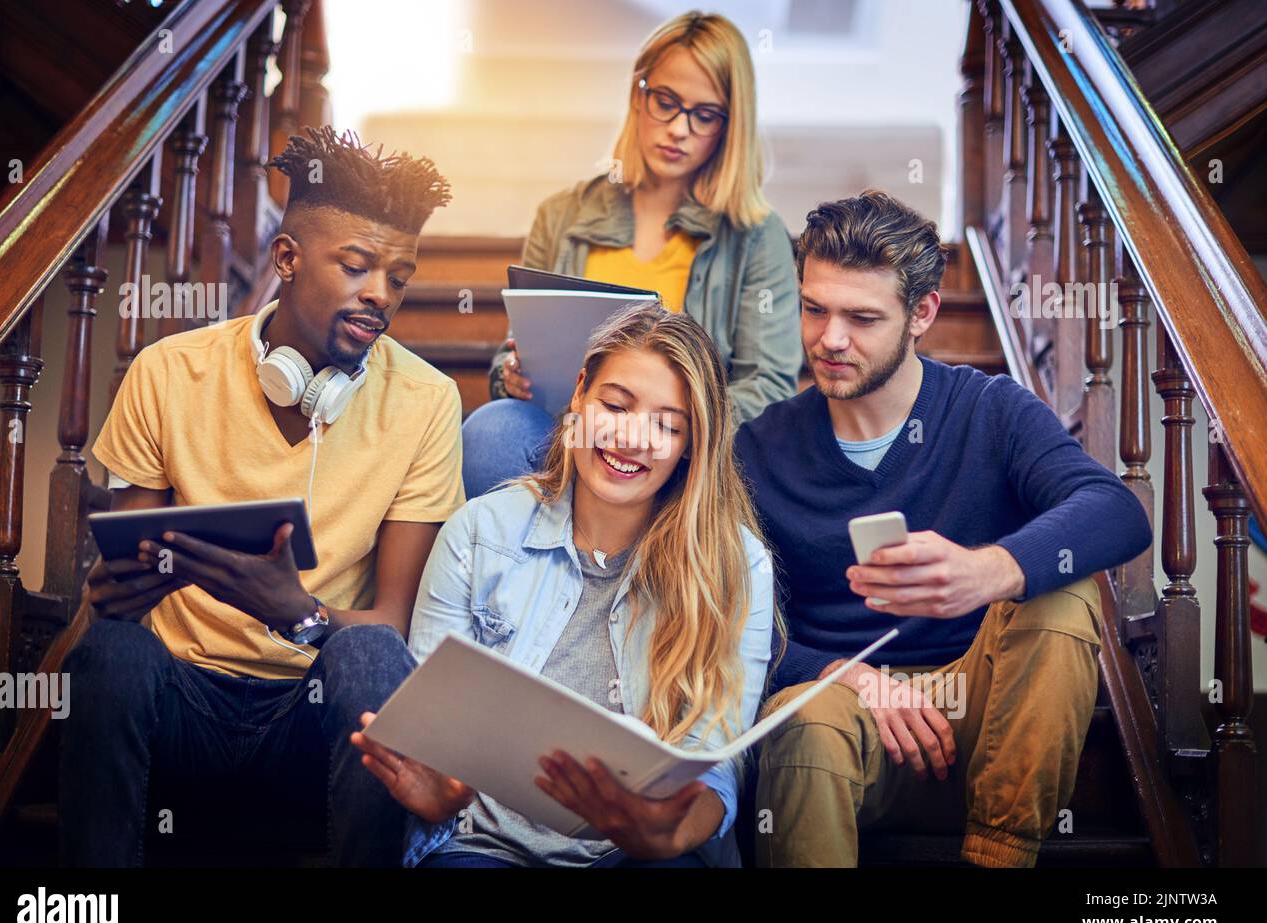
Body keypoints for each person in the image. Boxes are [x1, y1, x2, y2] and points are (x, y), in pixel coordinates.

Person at [60, 128, 464, 866]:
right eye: (356, 266)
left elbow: (393, 624)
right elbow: (126, 577)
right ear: (286, 258)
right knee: (112, 652)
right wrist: (110, 592)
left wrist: (297, 612)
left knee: (372, 653)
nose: (380, 293)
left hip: (309, 720)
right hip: (183, 703)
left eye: (399, 277)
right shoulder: (167, 372)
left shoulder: (427, 400)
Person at [735, 190, 1152, 867]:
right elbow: (727, 626)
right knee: (805, 719)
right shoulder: (757, 450)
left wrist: (988, 570)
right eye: (815, 309)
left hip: (988, 715)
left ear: (923, 313)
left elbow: (1116, 510)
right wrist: (844, 675)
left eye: (862, 317)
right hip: (842, 722)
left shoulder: (991, 410)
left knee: (1062, 593)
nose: (830, 339)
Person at [352, 303, 778, 867]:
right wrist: (439, 796)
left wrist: (668, 835)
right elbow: (436, 730)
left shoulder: (735, 564)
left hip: (641, 856)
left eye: (666, 425)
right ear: (579, 393)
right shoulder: (478, 532)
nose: (630, 438)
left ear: (691, 443)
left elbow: (716, 762)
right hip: (485, 845)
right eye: (615, 406)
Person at [460, 10, 802, 499]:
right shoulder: (561, 215)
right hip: (572, 439)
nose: (679, 128)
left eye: (705, 115)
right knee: (495, 430)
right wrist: (510, 376)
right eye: (666, 102)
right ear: (638, 95)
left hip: (676, 452)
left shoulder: (755, 236)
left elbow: (766, 387)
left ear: (731, 125)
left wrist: (669, 427)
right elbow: (515, 351)